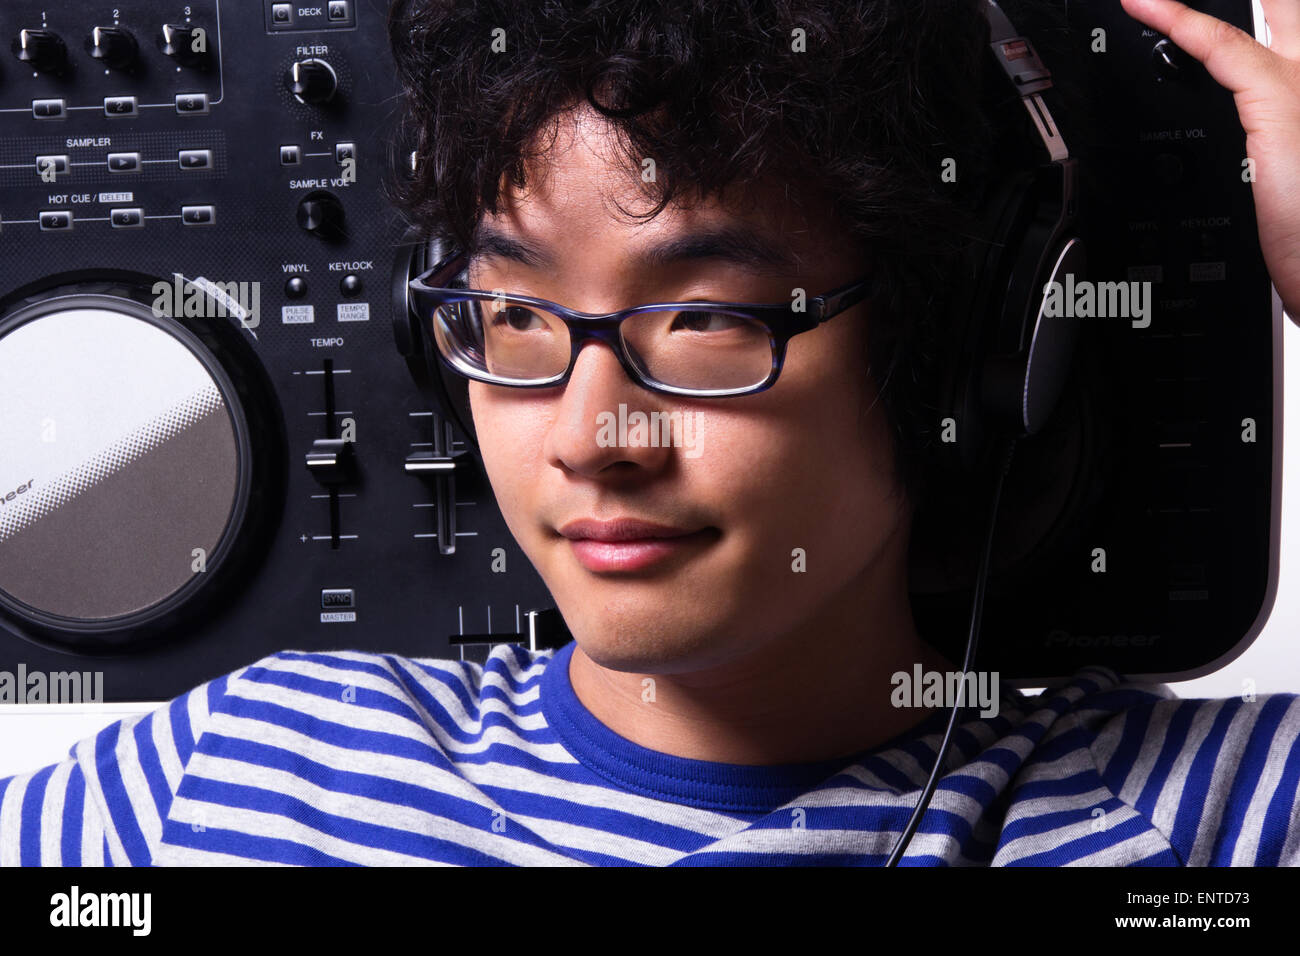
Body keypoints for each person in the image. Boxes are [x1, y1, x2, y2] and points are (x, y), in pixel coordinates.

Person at [3, 0, 1300, 866]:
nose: (589, 436)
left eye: (706, 322)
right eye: (513, 313)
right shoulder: (217, 778)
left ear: (967, 360)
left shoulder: (1214, 826)